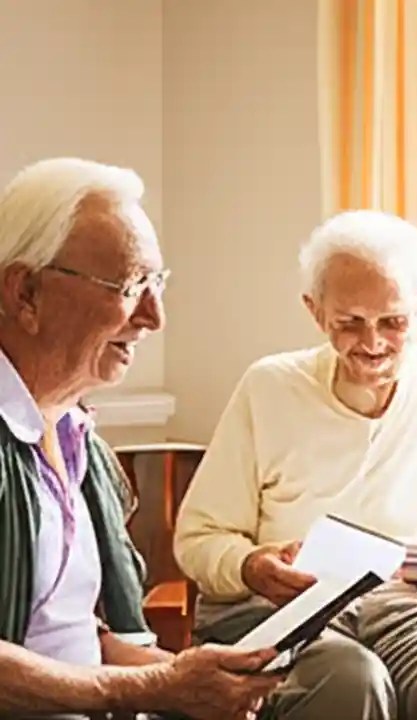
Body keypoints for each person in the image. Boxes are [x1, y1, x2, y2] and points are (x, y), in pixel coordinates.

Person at [173, 209, 417, 720]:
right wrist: (252, 566)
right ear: (316, 312)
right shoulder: (269, 387)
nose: (372, 344)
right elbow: (198, 538)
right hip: (290, 612)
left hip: (412, 609)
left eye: (393, 322)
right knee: (349, 680)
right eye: (349, 323)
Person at [0, 157, 280, 719]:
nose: (154, 316)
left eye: (157, 283)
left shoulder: (79, 442)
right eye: (130, 285)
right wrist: (149, 689)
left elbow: (70, 638)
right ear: (25, 292)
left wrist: (185, 677)